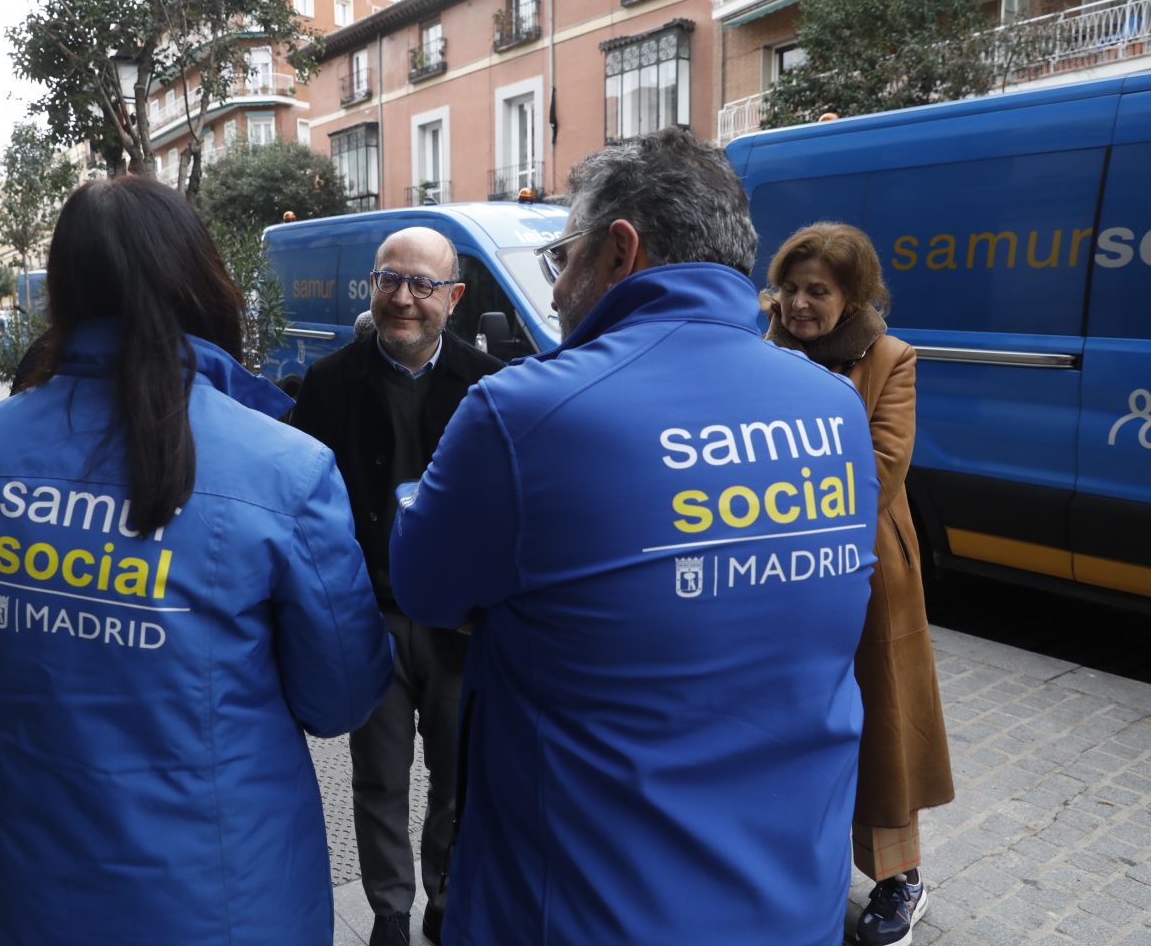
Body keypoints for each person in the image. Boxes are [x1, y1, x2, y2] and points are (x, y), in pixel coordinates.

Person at [388, 129, 882, 945]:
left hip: (586, 908)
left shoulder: (525, 412)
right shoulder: (832, 406)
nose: (555, 293)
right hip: (792, 903)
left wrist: (418, 497)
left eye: (564, 255)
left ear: (620, 250)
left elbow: (427, 586)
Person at [0, 175, 393, 946]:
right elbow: (340, 696)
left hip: (36, 882)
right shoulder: (284, 465)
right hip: (225, 891)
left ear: (65, 287)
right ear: (201, 277)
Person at [292, 227, 502, 946]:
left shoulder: (489, 384)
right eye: (391, 281)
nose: (405, 299)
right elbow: (304, 509)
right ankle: (388, 912)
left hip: (459, 624)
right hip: (368, 616)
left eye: (422, 285)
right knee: (378, 777)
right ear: (372, 287)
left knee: (456, 777)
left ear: (454, 296)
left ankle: (445, 897)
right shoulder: (328, 384)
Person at [764, 221, 954, 946]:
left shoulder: (890, 358)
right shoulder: (760, 351)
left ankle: (900, 881)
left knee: (880, 726)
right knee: (789, 719)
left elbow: (881, 469)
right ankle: (794, 864)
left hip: (867, 572)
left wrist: (780, 508)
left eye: (818, 291)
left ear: (854, 297)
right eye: (789, 288)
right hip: (777, 570)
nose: (800, 304)